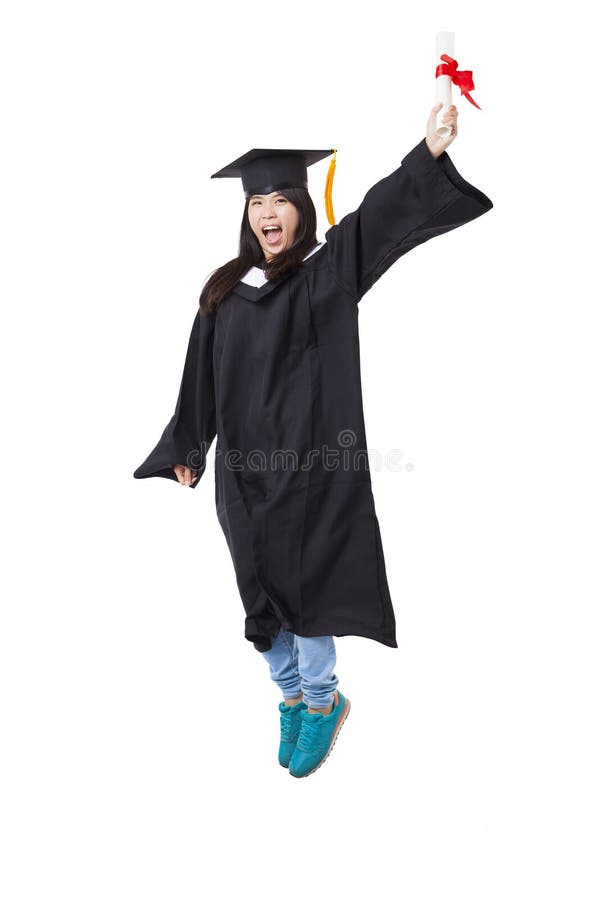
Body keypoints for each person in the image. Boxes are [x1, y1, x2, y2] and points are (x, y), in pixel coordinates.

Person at [133, 103, 493, 778]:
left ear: (300, 206)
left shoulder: (325, 276)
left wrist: (430, 151)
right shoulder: (223, 291)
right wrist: (188, 449)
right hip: (244, 475)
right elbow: (198, 382)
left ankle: (323, 703)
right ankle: (292, 696)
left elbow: (377, 219)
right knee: (260, 603)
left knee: (310, 594)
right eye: (256, 202)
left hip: (314, 470)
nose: (267, 212)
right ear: (246, 214)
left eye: (279, 199)